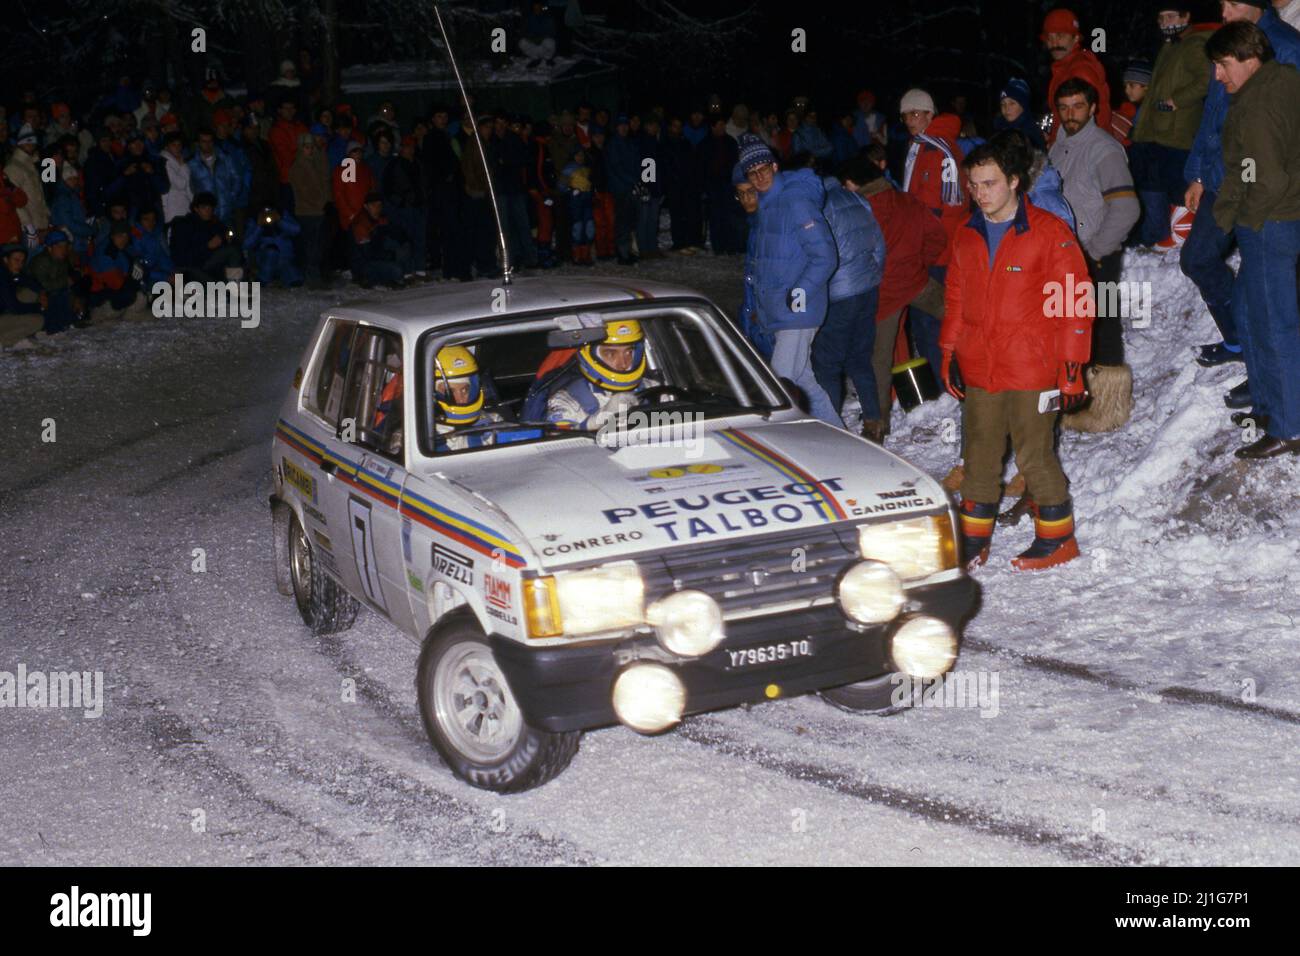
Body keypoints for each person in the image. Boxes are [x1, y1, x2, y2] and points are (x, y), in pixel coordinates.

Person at [940, 139, 1093, 571]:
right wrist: (949, 349)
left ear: (1014, 181)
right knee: (980, 453)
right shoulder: (967, 234)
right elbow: (955, 296)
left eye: (989, 183)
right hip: (980, 363)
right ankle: (974, 538)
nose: (980, 193)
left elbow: (1075, 302)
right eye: (973, 185)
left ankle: (1057, 537)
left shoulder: (1048, 232)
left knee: (1033, 454)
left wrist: (1071, 367)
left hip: (1033, 365)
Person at [1181, 0, 1300, 400]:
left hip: (1261, 188)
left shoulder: (1285, 45)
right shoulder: (1226, 47)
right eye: (1221, 2)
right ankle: (1248, 351)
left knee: (1265, 296)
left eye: (1233, 2)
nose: (1225, 9)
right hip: (1225, 176)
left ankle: (1269, 380)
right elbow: (1212, 111)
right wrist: (1198, 171)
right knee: (1200, 259)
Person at [1209, 19, 1300, 458]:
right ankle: (1269, 406)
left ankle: (1288, 426)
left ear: (1250, 59)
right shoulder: (1273, 86)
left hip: (1270, 226)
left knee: (1274, 326)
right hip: (1270, 222)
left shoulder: (1259, 106)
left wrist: (1249, 219)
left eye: (1224, 65)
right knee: (1250, 314)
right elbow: (1251, 167)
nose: (1218, 75)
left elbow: (1267, 176)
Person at [1048, 77, 1140, 433]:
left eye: (1078, 106)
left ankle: (1108, 406)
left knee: (1101, 325)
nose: (1071, 114)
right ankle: (1077, 397)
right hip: (1067, 255)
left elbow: (1127, 207)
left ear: (1093, 108)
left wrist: (1097, 251)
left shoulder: (1103, 149)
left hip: (1096, 253)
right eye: (1064, 107)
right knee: (1072, 325)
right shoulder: (1058, 147)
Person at [840, 155, 947, 442]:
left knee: (879, 360)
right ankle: (980, 382)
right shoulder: (908, 201)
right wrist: (919, 264)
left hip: (884, 295)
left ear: (852, 183)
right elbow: (937, 235)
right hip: (916, 283)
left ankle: (877, 423)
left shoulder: (859, 209)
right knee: (961, 320)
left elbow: (852, 255)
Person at [740, 134, 841, 427]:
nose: (759, 177)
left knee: (779, 386)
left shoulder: (795, 201)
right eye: (752, 173)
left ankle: (787, 446)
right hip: (780, 311)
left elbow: (825, 256)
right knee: (803, 382)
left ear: (775, 166)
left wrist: (798, 293)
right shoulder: (766, 207)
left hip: (798, 310)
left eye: (763, 169)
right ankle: (839, 440)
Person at [1129, 6, 1213, 247]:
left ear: (1186, 17)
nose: (1165, 22)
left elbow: (1206, 79)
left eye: (1171, 16)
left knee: (1174, 187)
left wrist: (1177, 100)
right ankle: (1159, 235)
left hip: (1176, 133)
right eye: (1161, 17)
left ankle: (1177, 239)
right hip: (1158, 131)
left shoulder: (1194, 44)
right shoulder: (1171, 45)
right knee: (1153, 185)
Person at [812, 170, 886, 434]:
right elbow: (879, 243)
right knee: (860, 359)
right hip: (867, 289)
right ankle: (874, 421)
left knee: (828, 364)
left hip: (838, 294)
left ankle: (832, 430)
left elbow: (820, 255)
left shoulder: (817, 206)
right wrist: (872, 275)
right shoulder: (856, 199)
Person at [545, 319, 661, 429]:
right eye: (611, 354)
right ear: (589, 354)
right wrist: (597, 421)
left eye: (628, 352)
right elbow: (557, 441)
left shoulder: (655, 389)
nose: (623, 364)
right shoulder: (566, 400)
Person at [1042, 7, 1113, 144]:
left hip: (1084, 149)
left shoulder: (1080, 71)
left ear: (1075, 38)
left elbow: (1095, 118)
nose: (1054, 44)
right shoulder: (1063, 69)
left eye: (1060, 36)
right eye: (1050, 38)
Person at [432, 346, 508, 451]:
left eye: (464, 390)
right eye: (450, 391)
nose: (461, 399)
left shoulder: (491, 422)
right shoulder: (424, 435)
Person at [733, 164, 771, 359]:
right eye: (740, 194)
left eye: (750, 192)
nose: (746, 199)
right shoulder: (754, 222)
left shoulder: (769, 222)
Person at [169, 192, 243, 282]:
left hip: (211, 265)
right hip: (192, 268)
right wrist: (207, 246)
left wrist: (227, 239)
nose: (208, 211)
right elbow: (181, 257)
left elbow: (230, 242)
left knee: (233, 251)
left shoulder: (215, 223)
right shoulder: (184, 225)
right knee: (214, 288)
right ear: (196, 209)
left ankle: (234, 286)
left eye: (210, 208)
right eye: (204, 207)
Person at [243, 204, 302, 286]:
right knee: (271, 252)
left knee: (294, 279)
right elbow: (247, 244)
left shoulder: (282, 214)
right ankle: (263, 279)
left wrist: (279, 221)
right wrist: (259, 227)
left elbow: (296, 230)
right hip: (265, 261)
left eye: (270, 211)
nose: (268, 214)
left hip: (284, 258)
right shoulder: (255, 219)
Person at [0, 244, 48, 344]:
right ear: (5, 259)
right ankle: (4, 340)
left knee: (30, 292)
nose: (20, 264)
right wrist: (40, 307)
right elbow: (15, 308)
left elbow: (30, 282)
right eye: (16, 260)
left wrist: (42, 293)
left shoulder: (12, 272)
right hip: (6, 311)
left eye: (22, 261)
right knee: (38, 320)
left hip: (5, 310)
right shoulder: (2, 276)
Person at [562, 144, 596, 266]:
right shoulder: (568, 169)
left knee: (589, 227)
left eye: (582, 155)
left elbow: (592, 184)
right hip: (575, 202)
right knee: (578, 227)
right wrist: (571, 191)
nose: (580, 157)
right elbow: (561, 186)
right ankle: (577, 255)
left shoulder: (587, 169)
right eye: (577, 155)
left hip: (587, 201)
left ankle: (586, 255)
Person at [993, 78, 1046, 150]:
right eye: (1003, 104)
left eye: (1012, 103)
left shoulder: (1031, 134)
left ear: (1023, 106)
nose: (1006, 108)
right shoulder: (999, 128)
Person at [1113, 61, 1151, 147]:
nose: (1126, 90)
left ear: (1146, 86)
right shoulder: (1128, 106)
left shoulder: (1148, 111)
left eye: (1131, 85)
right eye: (1125, 86)